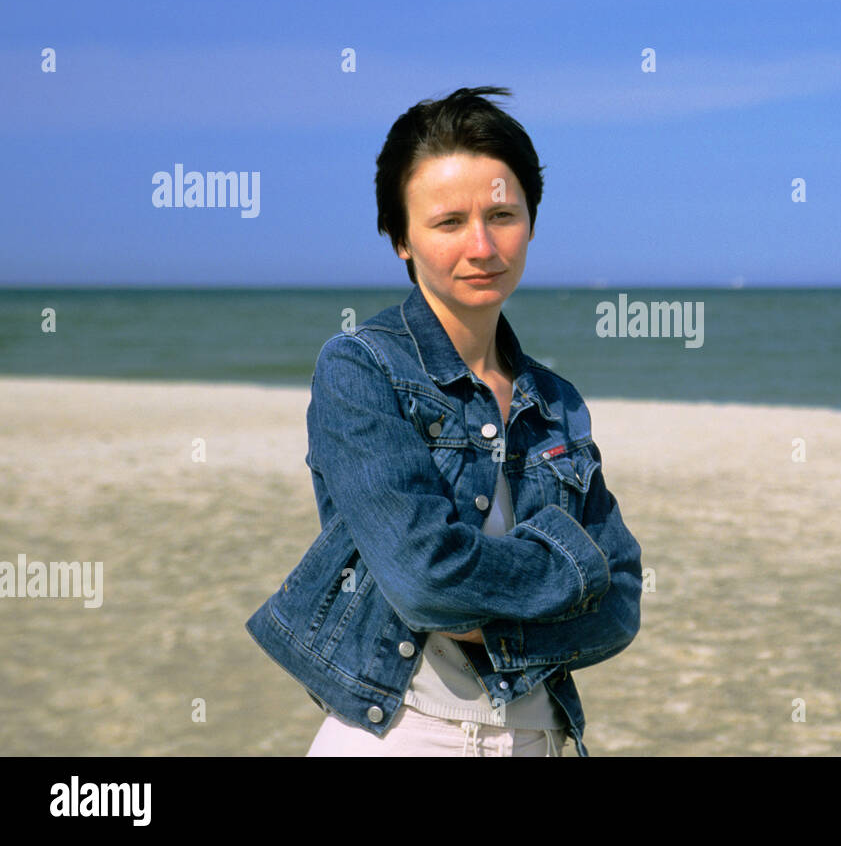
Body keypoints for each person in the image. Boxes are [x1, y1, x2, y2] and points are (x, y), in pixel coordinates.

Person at [244, 86, 643, 756]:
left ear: (532, 222)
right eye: (448, 222)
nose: (482, 245)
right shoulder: (360, 368)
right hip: (404, 734)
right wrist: (571, 576)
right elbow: (426, 580)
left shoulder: (555, 400)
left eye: (502, 214)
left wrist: (507, 601)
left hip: (540, 736)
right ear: (400, 238)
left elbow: (623, 600)